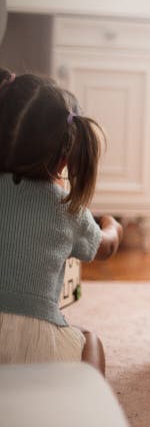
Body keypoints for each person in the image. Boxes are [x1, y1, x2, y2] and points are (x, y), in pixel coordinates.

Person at [0, 69, 123, 373]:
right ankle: (87, 400)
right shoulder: (67, 208)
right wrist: (112, 226)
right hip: (36, 350)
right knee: (88, 338)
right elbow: (104, 248)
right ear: (65, 156)